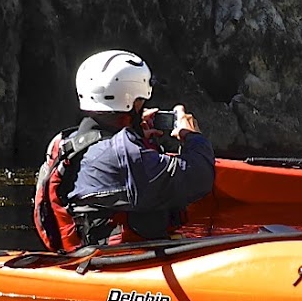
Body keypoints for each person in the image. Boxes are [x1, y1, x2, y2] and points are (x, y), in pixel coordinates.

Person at [33, 49, 215, 252]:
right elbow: (200, 175)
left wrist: (136, 133)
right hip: (117, 266)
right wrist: (191, 135)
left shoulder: (68, 141)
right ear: (135, 102)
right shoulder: (125, 156)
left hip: (83, 256)